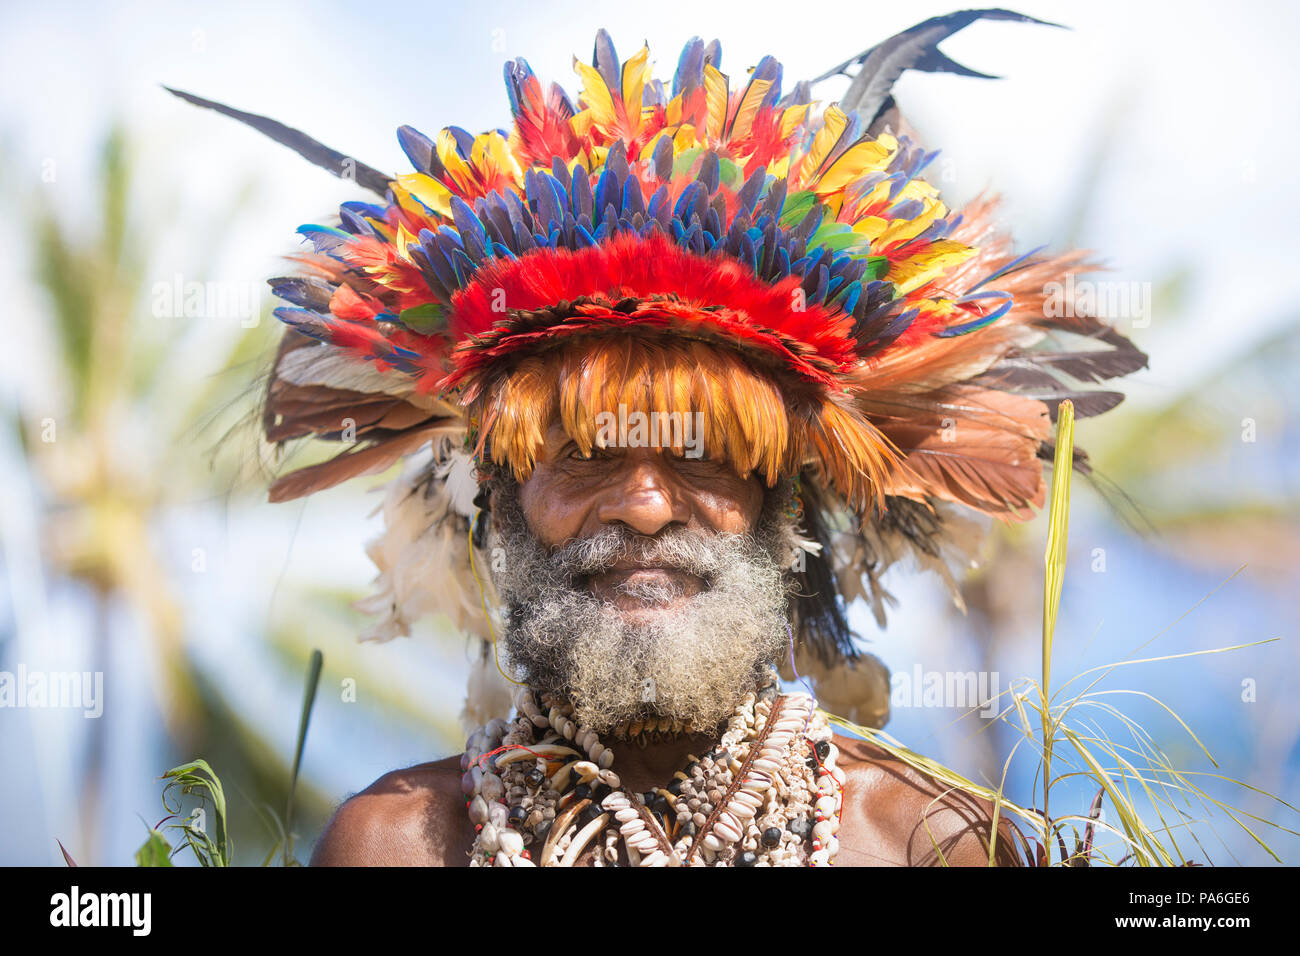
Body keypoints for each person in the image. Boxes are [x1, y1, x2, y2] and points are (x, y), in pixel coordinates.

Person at [175, 11, 1145, 866]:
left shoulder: (929, 843)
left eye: (703, 453)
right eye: (585, 452)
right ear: (496, 501)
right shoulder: (392, 846)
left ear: (787, 503)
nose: (643, 501)